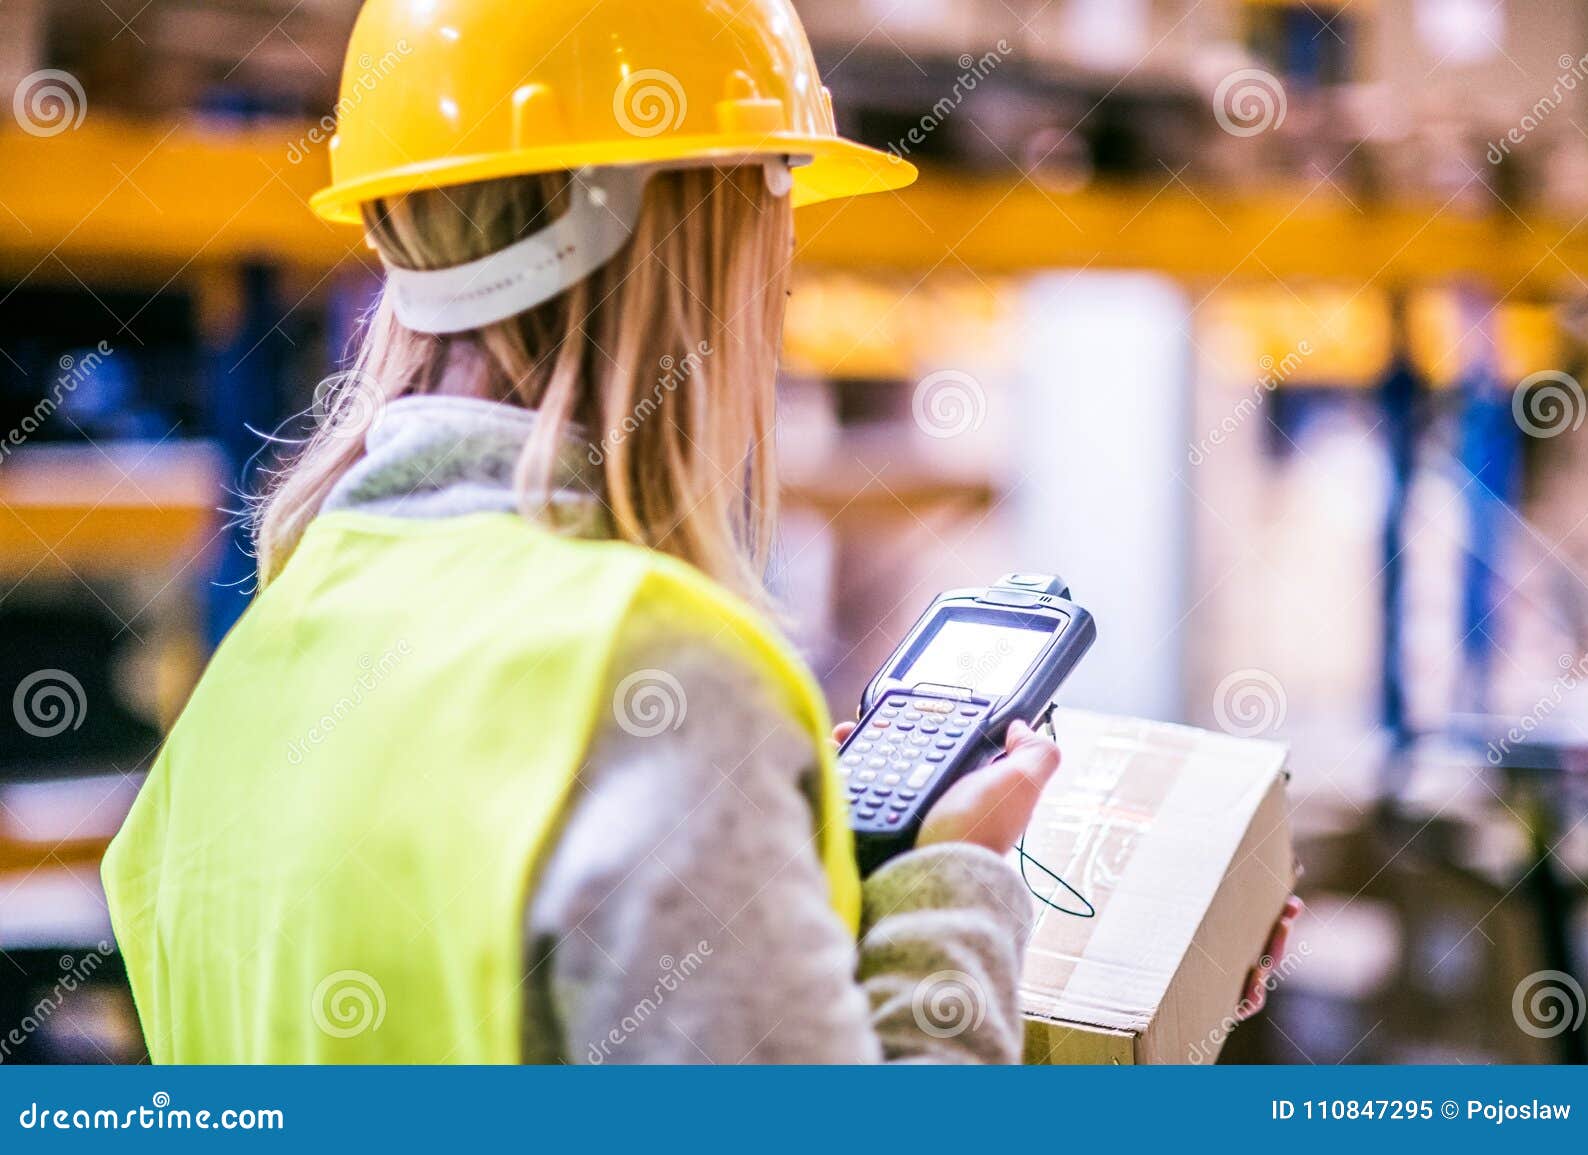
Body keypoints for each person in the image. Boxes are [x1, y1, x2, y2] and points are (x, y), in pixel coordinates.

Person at [102, 0, 1296, 1063]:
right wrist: (959, 882)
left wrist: (784, 873)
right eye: (768, 275)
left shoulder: (250, 679)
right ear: (693, 234)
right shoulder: (655, 672)